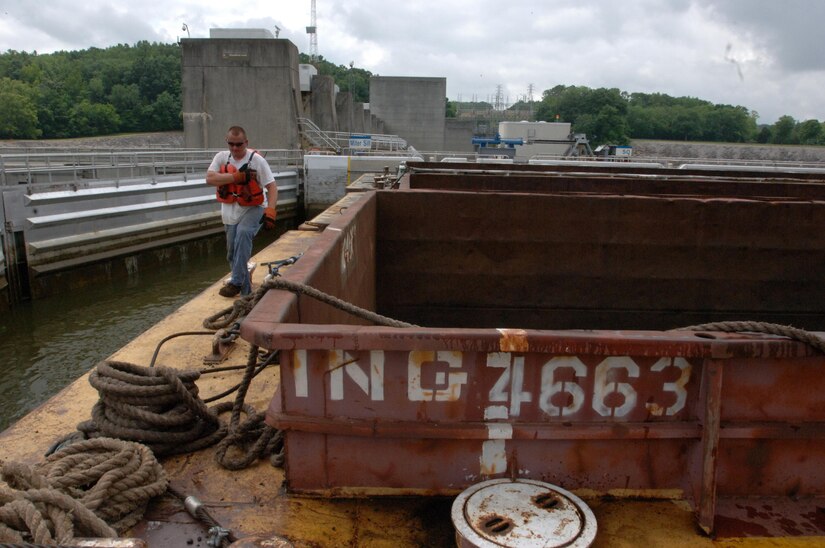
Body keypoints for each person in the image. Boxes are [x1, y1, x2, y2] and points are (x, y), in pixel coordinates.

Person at [207, 126, 278, 297]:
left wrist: (271, 211)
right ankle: (246, 294)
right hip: (230, 212)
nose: (235, 148)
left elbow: (272, 187)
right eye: (231, 144)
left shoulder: (257, 161)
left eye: (239, 144)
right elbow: (210, 178)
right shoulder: (221, 158)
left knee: (244, 233)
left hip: (254, 208)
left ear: (246, 143)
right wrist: (235, 177)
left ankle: (237, 282)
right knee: (233, 254)